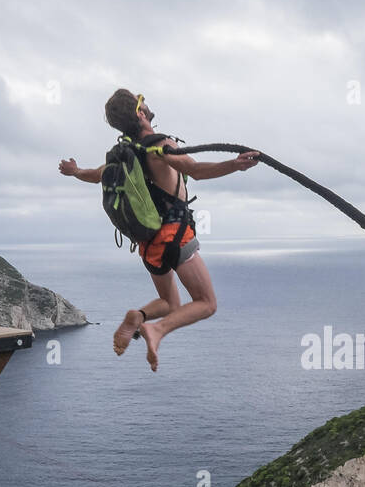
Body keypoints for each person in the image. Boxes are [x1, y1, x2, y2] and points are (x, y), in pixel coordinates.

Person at [58, 89, 259, 370]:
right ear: (140, 112)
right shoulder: (158, 145)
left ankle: (140, 316)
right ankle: (157, 330)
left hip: (149, 243)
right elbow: (197, 170)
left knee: (170, 302)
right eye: (143, 102)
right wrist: (235, 165)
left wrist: (74, 170)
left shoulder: (122, 157)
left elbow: (94, 175)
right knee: (206, 303)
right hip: (174, 235)